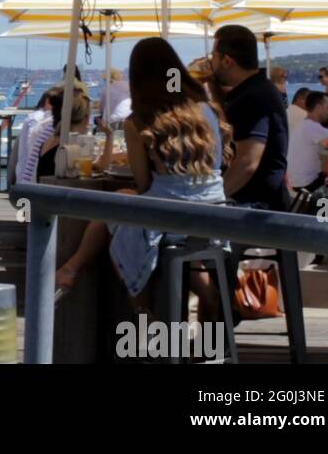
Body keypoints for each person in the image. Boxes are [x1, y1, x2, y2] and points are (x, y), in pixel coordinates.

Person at [55, 38, 233, 322]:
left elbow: (145, 184)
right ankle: (204, 306)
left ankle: (143, 312)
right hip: (215, 216)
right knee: (129, 212)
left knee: (115, 215)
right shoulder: (208, 111)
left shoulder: (138, 122)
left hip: (170, 219)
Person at [210, 25, 289, 211]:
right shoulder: (254, 89)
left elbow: (247, 163)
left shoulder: (253, 97)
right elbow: (227, 117)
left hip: (254, 208)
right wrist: (212, 83)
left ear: (227, 61)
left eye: (213, 55)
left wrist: (212, 202)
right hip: (259, 203)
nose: (210, 61)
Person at [286, 92, 328, 192]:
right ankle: (325, 208)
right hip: (307, 183)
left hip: (294, 181)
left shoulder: (302, 125)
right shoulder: (314, 128)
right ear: (319, 107)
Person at [14, 91, 53, 182]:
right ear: (48, 102)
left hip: (25, 176)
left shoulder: (36, 116)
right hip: (29, 177)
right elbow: (31, 145)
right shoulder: (38, 118)